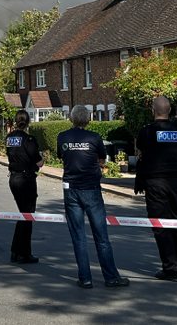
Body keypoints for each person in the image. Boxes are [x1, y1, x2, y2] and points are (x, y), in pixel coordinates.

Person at [58, 106, 130, 289]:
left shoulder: (63, 137)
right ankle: (111, 277)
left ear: (71, 119)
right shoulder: (94, 138)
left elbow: (62, 157)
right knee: (101, 235)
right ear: (88, 120)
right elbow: (102, 160)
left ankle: (85, 278)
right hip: (91, 189)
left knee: (78, 235)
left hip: (71, 189)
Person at [136, 95, 177, 281]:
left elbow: (139, 153)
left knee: (161, 226)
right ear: (170, 111)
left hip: (156, 182)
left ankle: (171, 269)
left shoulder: (145, 132)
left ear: (153, 111)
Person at [6, 109, 44, 263]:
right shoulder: (28, 139)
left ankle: (15, 251)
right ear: (27, 122)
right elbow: (38, 162)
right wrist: (41, 156)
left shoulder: (9, 138)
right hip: (26, 179)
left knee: (22, 213)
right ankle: (24, 253)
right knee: (28, 215)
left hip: (13, 178)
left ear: (16, 121)